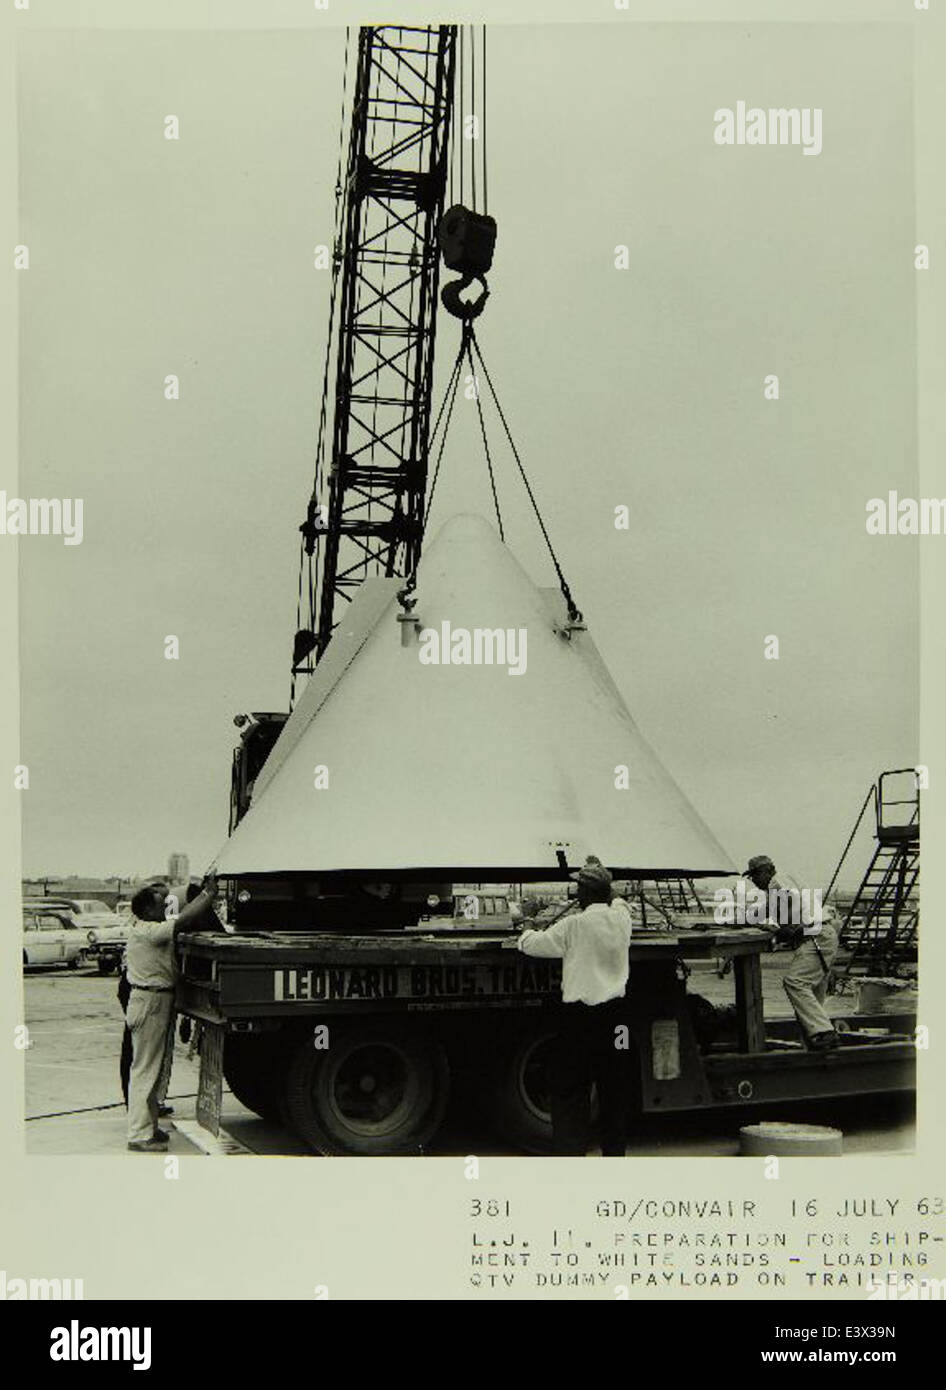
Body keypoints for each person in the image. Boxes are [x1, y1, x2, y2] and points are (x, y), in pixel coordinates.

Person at [517, 857, 633, 1156]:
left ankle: (571, 1153)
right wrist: (603, 872)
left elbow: (533, 945)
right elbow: (620, 900)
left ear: (582, 893)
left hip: (580, 1018)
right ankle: (615, 1155)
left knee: (570, 1087)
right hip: (619, 1021)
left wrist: (527, 922)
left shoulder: (573, 925)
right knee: (616, 1087)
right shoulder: (622, 919)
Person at [125, 877, 220, 1153]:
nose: (167, 907)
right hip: (150, 1001)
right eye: (161, 904)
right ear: (148, 910)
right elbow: (183, 920)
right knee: (146, 1069)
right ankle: (139, 1135)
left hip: (153, 1001)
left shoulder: (146, 927)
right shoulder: (149, 931)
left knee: (154, 1068)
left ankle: (147, 1128)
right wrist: (207, 895)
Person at [742, 853, 840, 1052]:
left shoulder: (776, 884)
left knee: (795, 982)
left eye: (755, 876)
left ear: (767, 871)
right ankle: (815, 1043)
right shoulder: (784, 881)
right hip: (822, 935)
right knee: (812, 997)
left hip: (816, 937)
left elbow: (788, 910)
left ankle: (825, 1034)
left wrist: (783, 929)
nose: (753, 881)